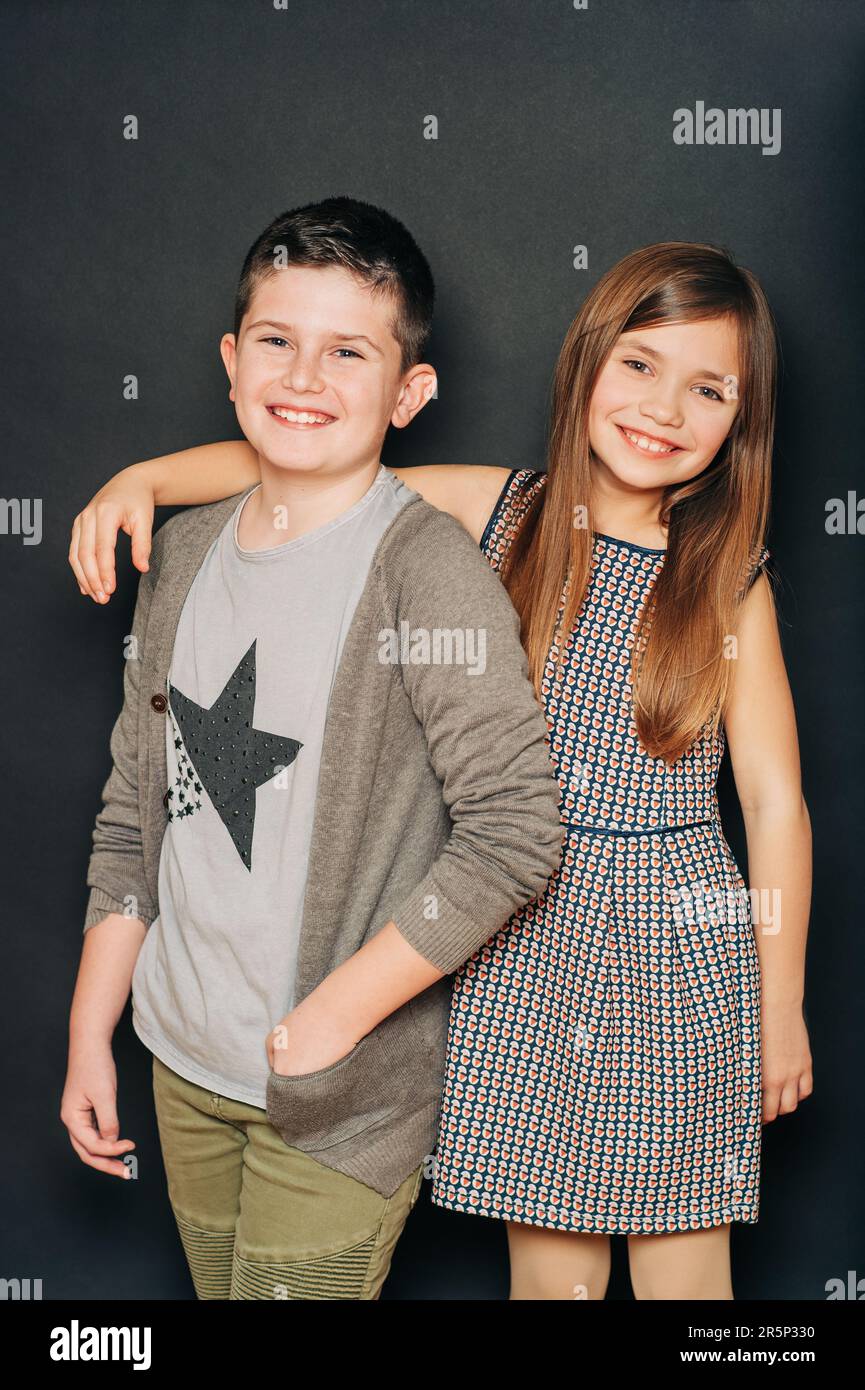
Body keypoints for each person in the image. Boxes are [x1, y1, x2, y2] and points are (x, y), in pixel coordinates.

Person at [69, 240, 813, 1301]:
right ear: (587, 364)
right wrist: (143, 477)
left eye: (708, 389)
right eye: (640, 366)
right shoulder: (501, 509)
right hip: (512, 948)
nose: (664, 408)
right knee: (550, 1276)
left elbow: (773, 803)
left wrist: (779, 1009)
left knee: (685, 1279)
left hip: (670, 952)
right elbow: (317, 454)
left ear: (740, 420)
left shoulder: (727, 582)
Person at [62, 195, 565, 1301]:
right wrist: (93, 1032)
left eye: (349, 351)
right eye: (279, 342)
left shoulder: (426, 571)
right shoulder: (181, 555)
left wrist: (331, 1019)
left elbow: (517, 833)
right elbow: (128, 819)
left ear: (408, 391)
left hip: (335, 1098)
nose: (305, 377)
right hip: (179, 1063)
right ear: (233, 363)